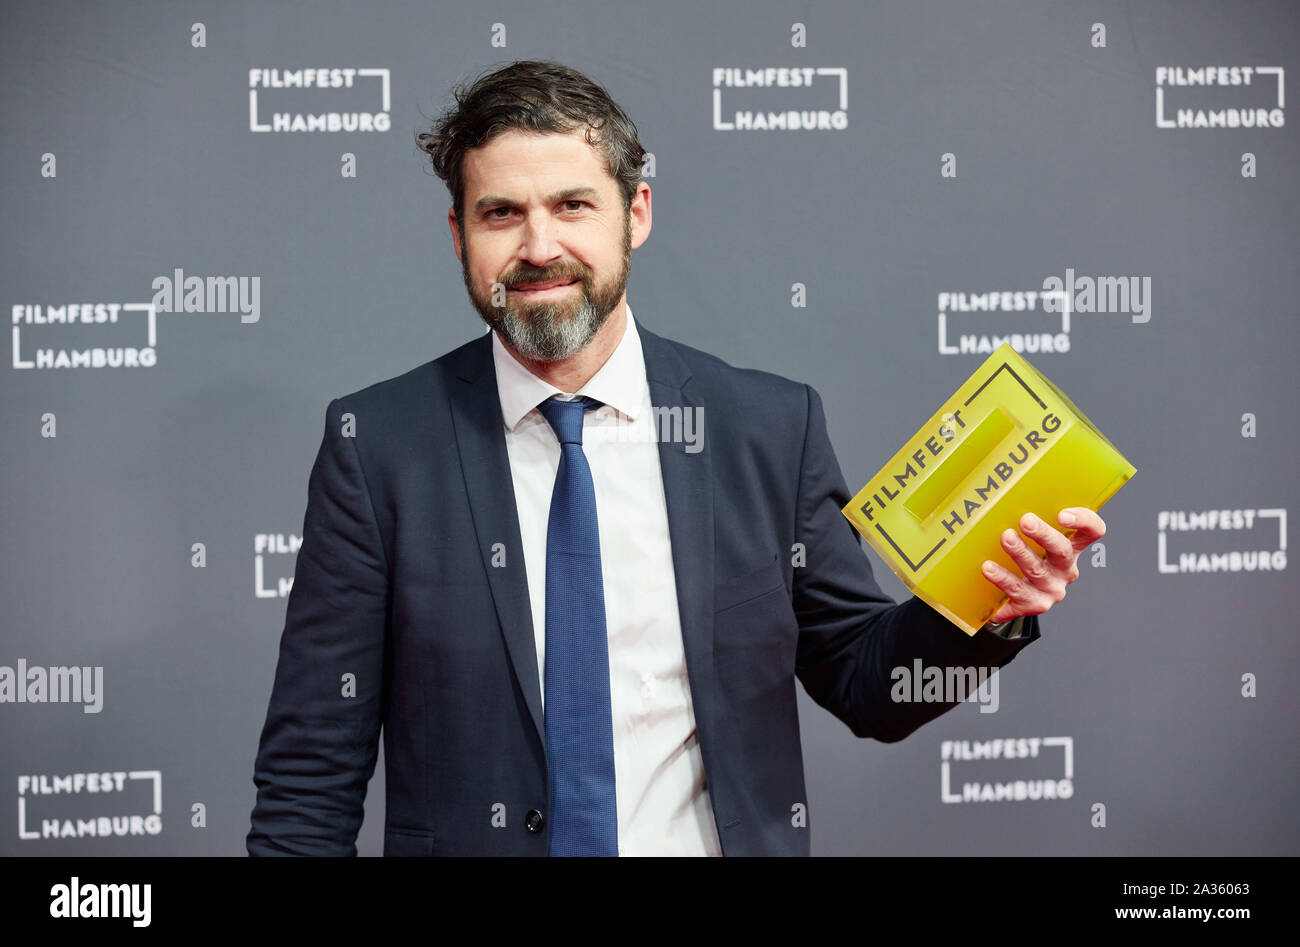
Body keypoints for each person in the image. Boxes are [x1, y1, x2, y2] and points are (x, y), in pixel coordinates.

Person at [246, 60, 1106, 857]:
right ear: (459, 231)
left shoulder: (766, 426)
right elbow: (310, 773)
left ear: (638, 213)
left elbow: (865, 681)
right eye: (501, 212)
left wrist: (985, 605)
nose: (539, 246)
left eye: (574, 205)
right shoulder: (379, 446)